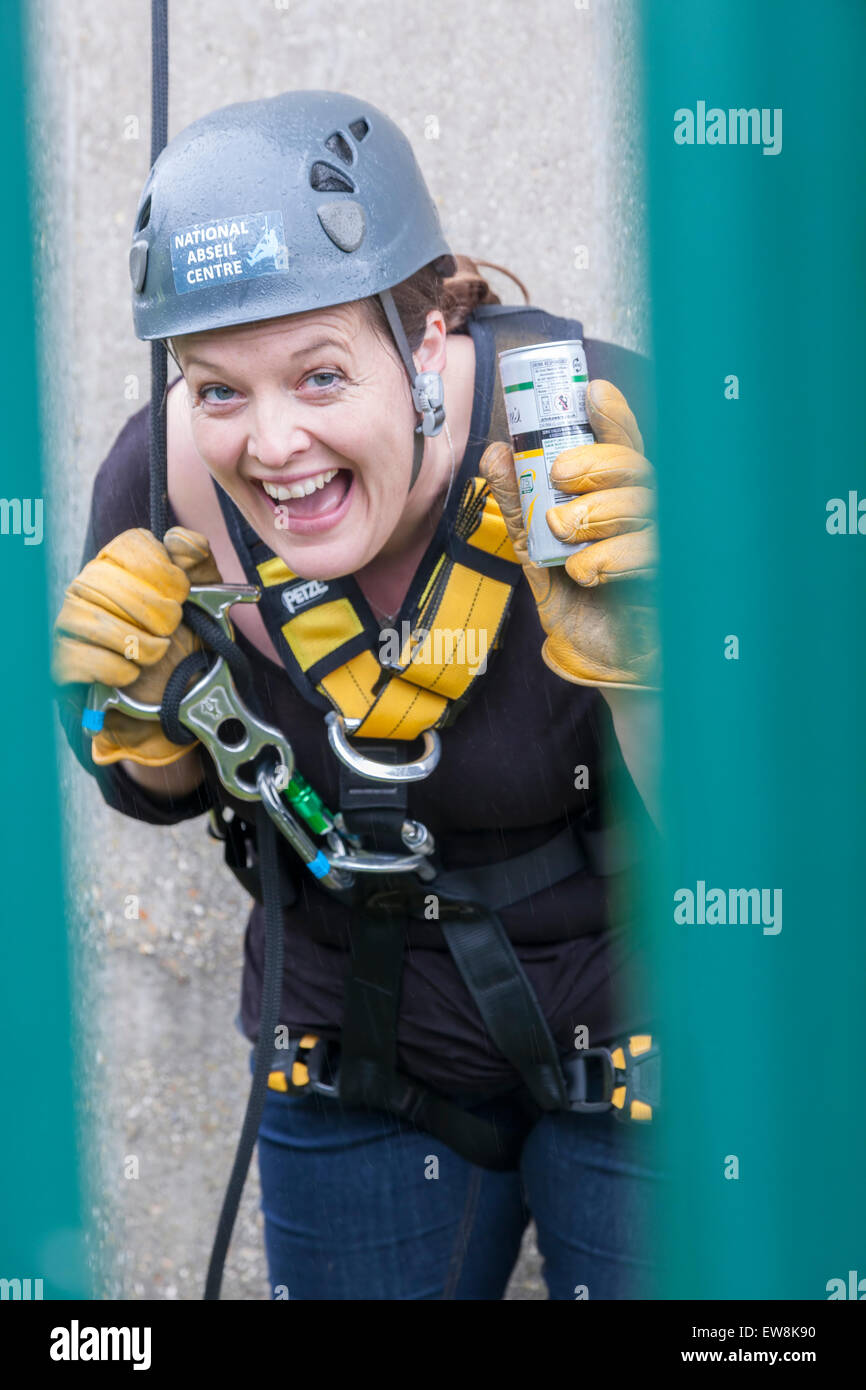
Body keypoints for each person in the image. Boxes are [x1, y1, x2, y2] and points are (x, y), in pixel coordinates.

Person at [53, 89, 662, 1301]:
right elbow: (165, 790)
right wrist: (143, 714)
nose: (272, 445)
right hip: (355, 1048)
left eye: (320, 376)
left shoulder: (602, 446)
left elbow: (772, 853)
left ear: (426, 339)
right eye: (216, 386)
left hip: (641, 1031)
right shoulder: (166, 482)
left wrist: (660, 670)